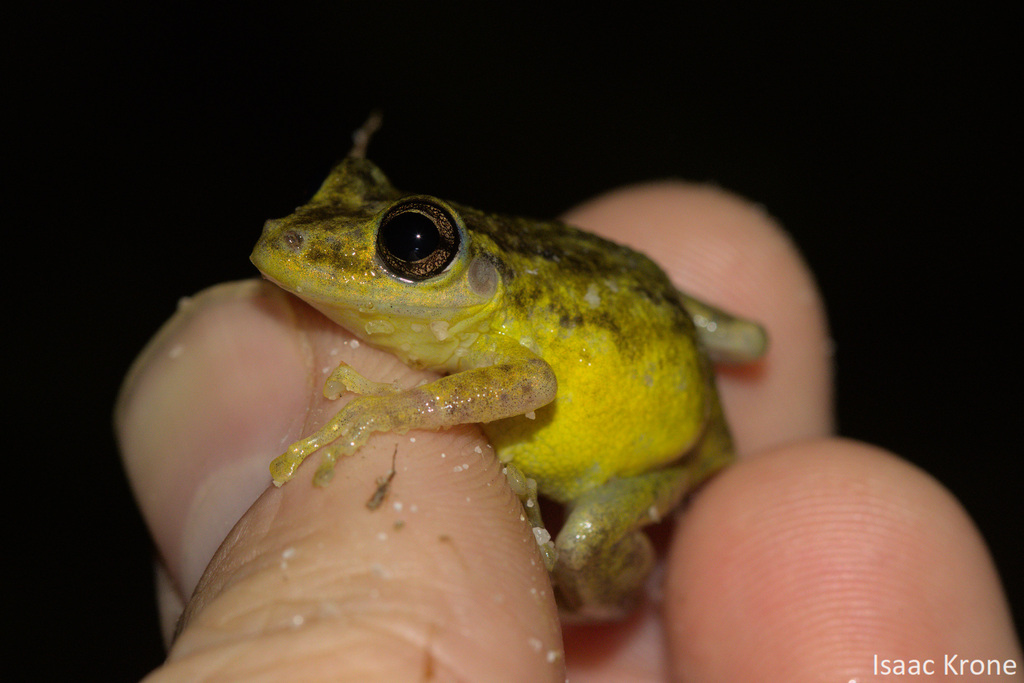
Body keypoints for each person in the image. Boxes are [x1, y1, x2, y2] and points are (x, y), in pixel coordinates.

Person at [116, 182, 1022, 681]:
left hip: (662, 455)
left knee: (580, 535)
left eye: (409, 245)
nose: (312, 241)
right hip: (631, 305)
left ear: (459, 266)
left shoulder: (497, 339)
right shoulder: (461, 317)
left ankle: (594, 587)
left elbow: (532, 379)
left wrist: (394, 410)